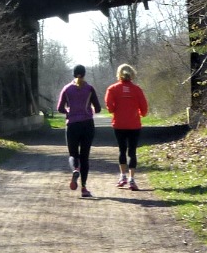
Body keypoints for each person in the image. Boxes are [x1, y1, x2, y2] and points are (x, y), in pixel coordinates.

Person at [57, 64, 101, 198]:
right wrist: (89, 111)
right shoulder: (89, 88)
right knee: (84, 157)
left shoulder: (67, 89)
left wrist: (68, 112)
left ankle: (75, 169)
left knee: (73, 154)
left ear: (73, 74)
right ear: (84, 74)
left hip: (72, 125)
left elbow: (59, 108)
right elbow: (98, 108)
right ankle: (84, 188)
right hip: (87, 124)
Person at [104, 63, 149, 191]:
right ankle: (132, 179)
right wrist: (142, 113)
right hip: (134, 124)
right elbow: (144, 106)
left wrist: (115, 110)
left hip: (119, 124)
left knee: (122, 150)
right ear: (132, 74)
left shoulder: (112, 89)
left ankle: (122, 176)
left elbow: (109, 106)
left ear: (119, 74)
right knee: (132, 151)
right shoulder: (137, 89)